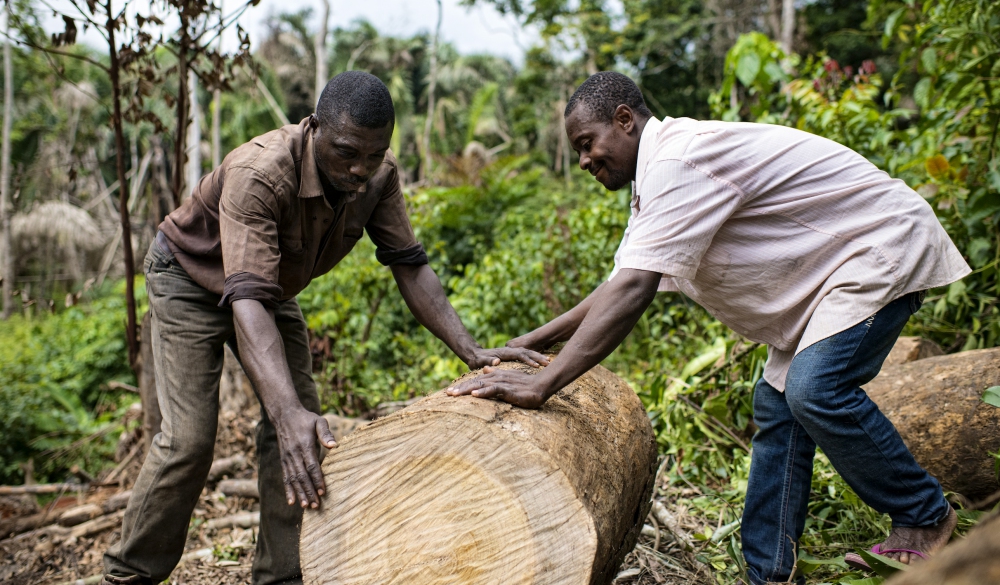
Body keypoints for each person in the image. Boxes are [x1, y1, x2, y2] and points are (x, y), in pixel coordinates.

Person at [447, 71, 969, 585]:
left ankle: (925, 515)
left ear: (624, 120)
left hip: (879, 246)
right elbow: (618, 285)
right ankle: (769, 572)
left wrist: (544, 383)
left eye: (588, 143)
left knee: (814, 389)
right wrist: (530, 344)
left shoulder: (679, 161)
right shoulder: (656, 179)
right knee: (778, 403)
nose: (584, 160)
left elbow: (634, 291)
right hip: (835, 272)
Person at [102, 71, 546, 585]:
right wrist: (284, 410)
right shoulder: (260, 171)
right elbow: (244, 300)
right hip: (191, 280)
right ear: (313, 128)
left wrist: (471, 350)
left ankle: (282, 576)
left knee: (302, 432)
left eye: (374, 155)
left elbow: (409, 264)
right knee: (190, 440)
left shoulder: (380, 177)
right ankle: (129, 574)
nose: (360, 170)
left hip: (267, 290)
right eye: (346, 152)